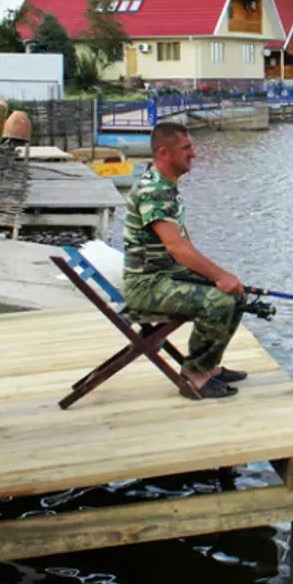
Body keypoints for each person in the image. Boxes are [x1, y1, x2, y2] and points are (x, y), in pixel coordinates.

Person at [123, 121, 246, 399]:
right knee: (219, 301)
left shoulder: (167, 187)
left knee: (238, 294)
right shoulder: (153, 190)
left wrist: (223, 277)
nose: (194, 153)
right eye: (186, 148)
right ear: (164, 153)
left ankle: (209, 366)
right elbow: (176, 246)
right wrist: (219, 277)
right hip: (147, 285)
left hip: (168, 275)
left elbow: (184, 244)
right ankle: (194, 376)